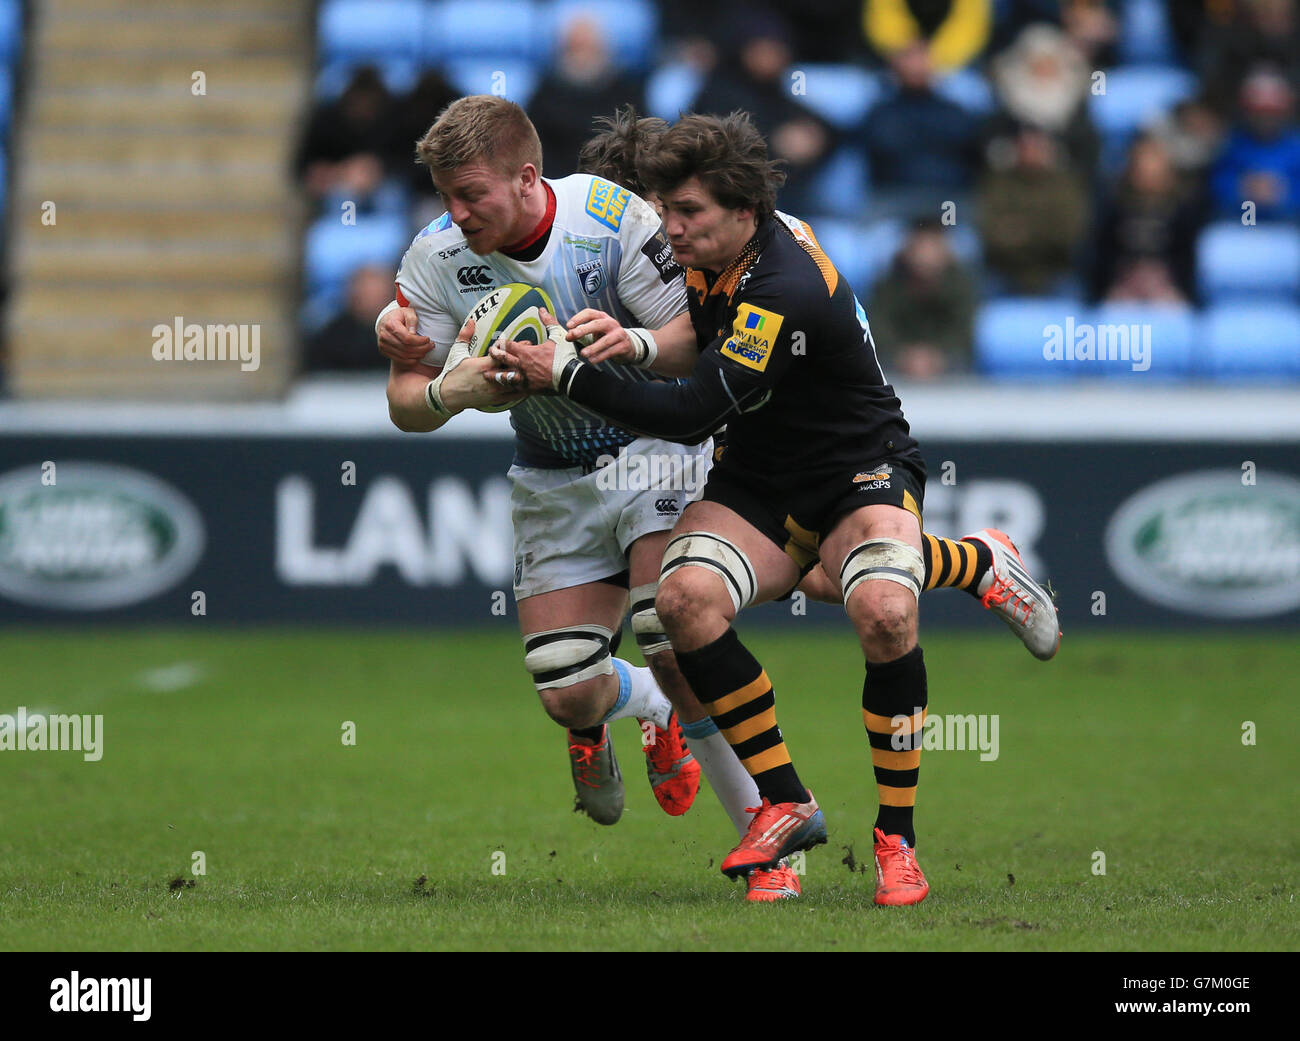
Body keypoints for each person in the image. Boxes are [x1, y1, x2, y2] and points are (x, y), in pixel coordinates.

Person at [495, 112, 1060, 905]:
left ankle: (897, 840)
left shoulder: (781, 283)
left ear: (742, 211)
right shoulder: (708, 250)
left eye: (683, 213)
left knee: (883, 608)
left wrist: (569, 374)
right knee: (684, 604)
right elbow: (700, 332)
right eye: (661, 210)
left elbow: (694, 410)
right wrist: (642, 345)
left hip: (855, 466)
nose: (668, 230)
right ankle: (786, 801)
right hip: (759, 476)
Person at [374, 95, 806, 902]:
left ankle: (771, 850)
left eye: (472, 195)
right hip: (551, 475)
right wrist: (451, 391)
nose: (456, 213)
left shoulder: (610, 218)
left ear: (528, 175)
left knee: (673, 640)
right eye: (445, 196)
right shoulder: (435, 256)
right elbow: (404, 399)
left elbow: (692, 339)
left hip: (654, 453)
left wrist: (623, 347)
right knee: (567, 689)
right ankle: (641, 708)